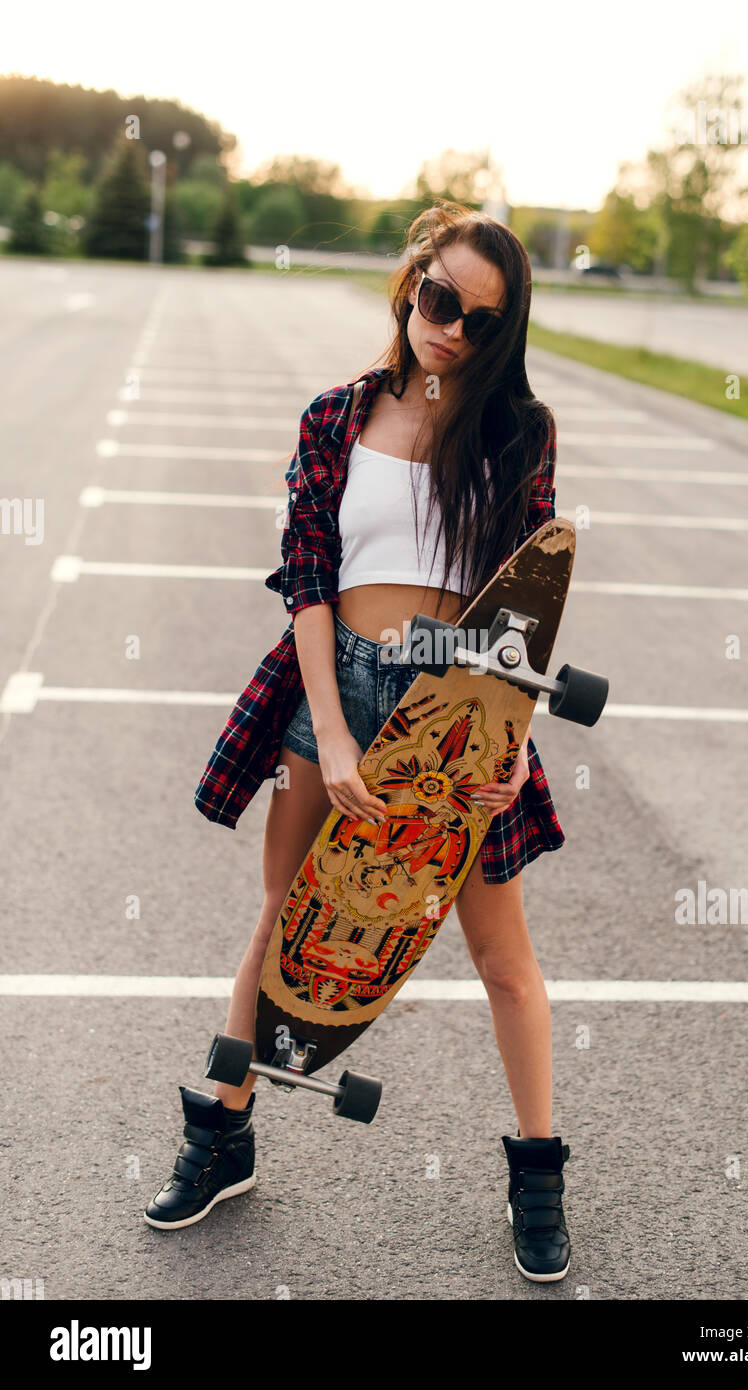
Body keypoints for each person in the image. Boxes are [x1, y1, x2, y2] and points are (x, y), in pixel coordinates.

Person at [144, 202, 572, 1283]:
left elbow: (525, 593)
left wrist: (507, 742)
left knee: (503, 962)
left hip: (459, 715)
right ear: (413, 280)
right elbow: (307, 579)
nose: (453, 334)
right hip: (335, 695)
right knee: (283, 925)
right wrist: (331, 732)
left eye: (482, 322)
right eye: (441, 303)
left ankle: (537, 1173)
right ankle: (221, 1133)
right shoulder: (337, 417)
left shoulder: (519, 430)